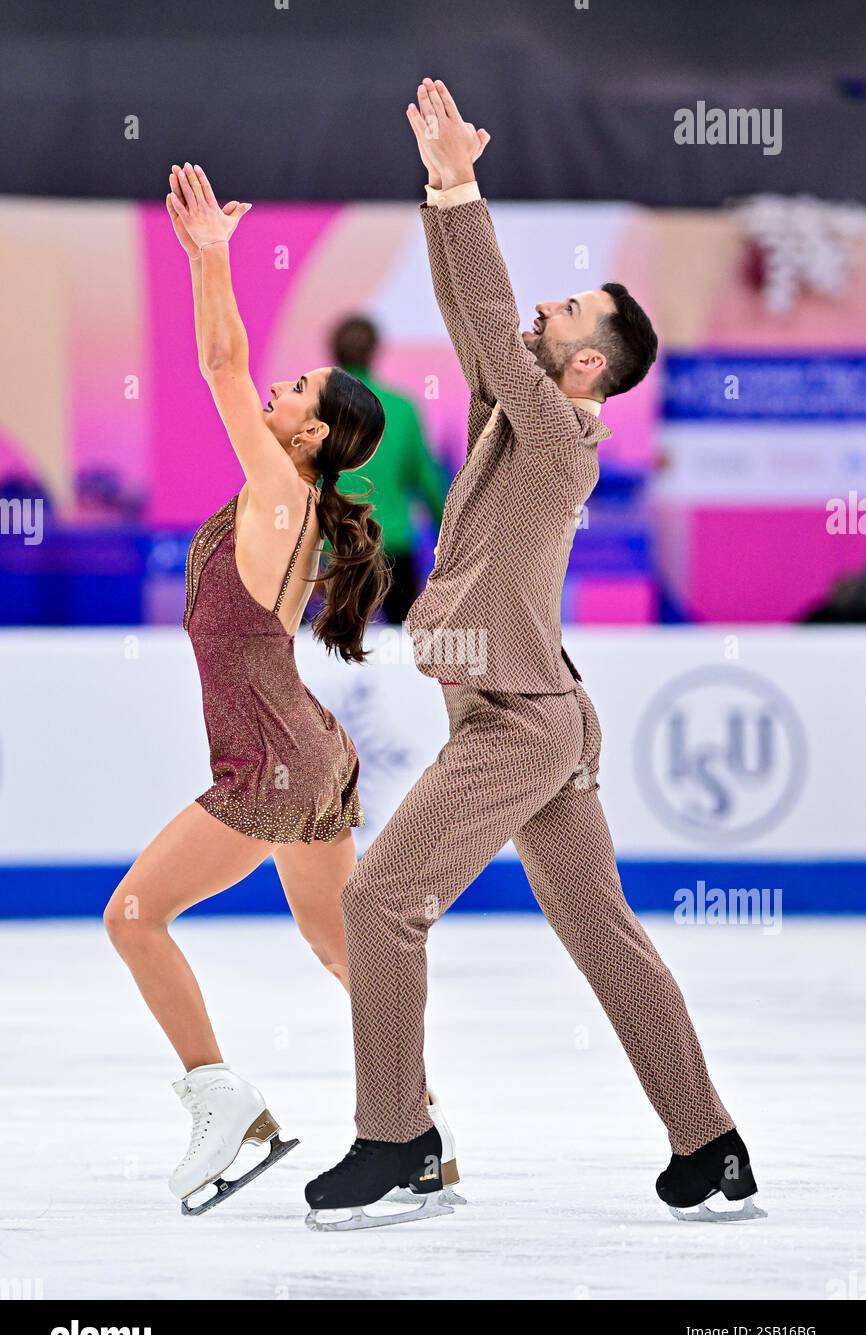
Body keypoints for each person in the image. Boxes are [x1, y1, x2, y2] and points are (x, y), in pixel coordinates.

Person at [306, 82, 764, 1231]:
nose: (539, 316)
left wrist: (462, 186)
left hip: (516, 722)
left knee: (380, 901)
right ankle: (707, 1143)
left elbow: (491, 313)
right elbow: (480, 325)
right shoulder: (517, 421)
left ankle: (396, 1134)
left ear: (584, 371)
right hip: (532, 713)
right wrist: (436, 189)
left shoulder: (557, 435)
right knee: (600, 933)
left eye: (563, 311)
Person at [104, 163, 462, 1216]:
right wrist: (207, 256)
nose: (276, 388)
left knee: (132, 915)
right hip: (310, 750)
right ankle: (421, 1122)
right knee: (331, 939)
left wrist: (206, 257)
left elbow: (220, 358)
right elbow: (231, 368)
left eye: (293, 391)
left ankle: (228, 1109)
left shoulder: (279, 493)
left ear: (309, 436)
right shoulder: (284, 498)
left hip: (273, 762)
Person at [330, 315, 448, 623]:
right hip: (392, 546)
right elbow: (425, 478)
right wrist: (446, 533)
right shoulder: (401, 407)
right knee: (406, 649)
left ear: (333, 351)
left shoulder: (315, 409)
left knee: (321, 649)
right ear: (374, 351)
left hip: (331, 547)